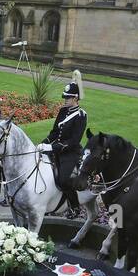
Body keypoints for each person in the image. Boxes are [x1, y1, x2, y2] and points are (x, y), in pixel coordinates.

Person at [43, 72, 88, 202]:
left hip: (70, 153)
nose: (65, 100)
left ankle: (74, 205)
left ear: (75, 98)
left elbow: (74, 141)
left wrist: (52, 147)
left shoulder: (81, 116)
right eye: (65, 97)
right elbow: (55, 132)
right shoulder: (63, 111)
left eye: (68, 98)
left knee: (63, 180)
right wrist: (43, 143)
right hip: (55, 147)